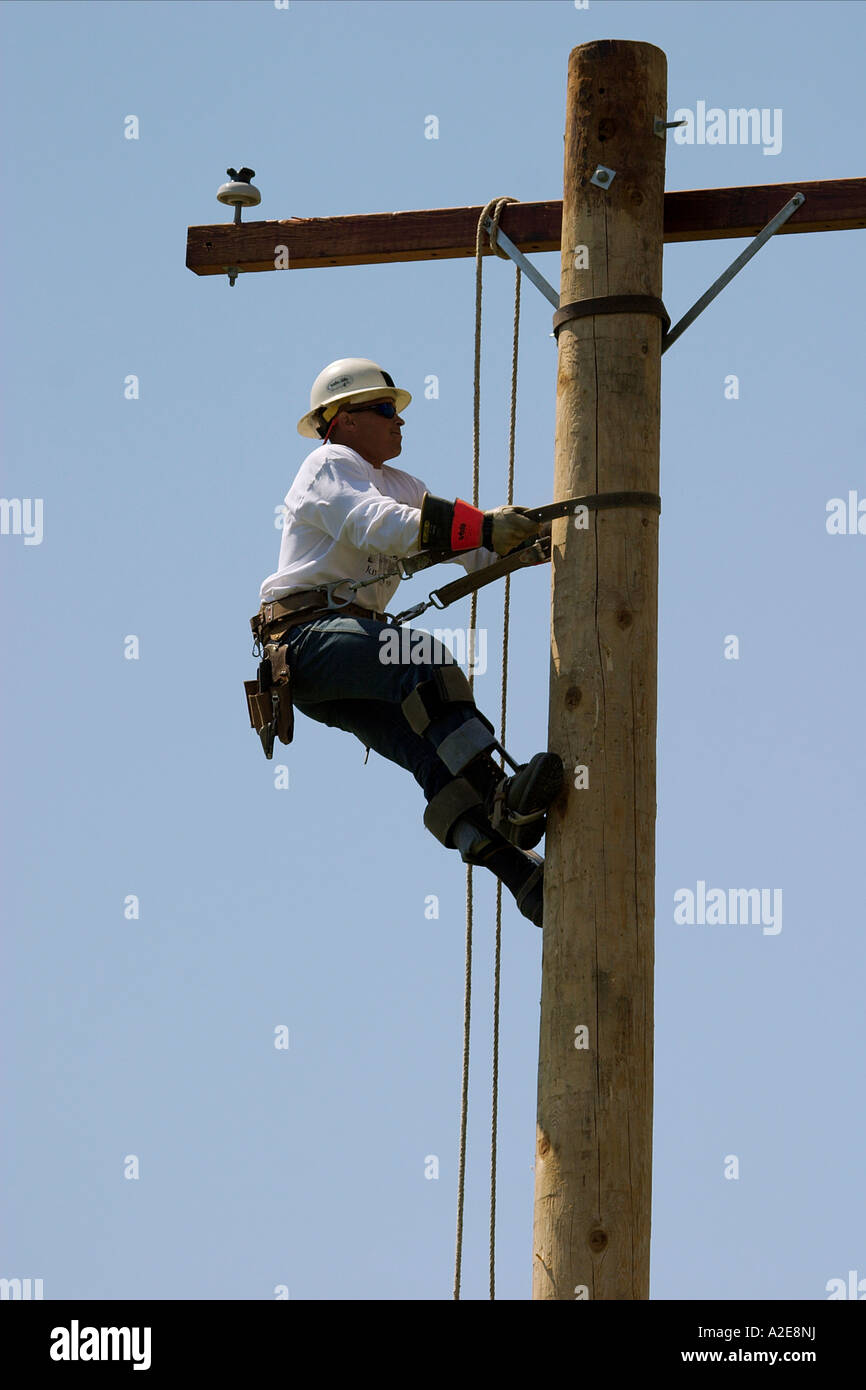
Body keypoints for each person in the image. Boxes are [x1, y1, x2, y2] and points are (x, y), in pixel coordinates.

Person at [254, 358, 563, 927]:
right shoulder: (327, 465)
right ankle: (502, 795)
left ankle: (522, 878)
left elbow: (457, 544)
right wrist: (483, 528)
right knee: (419, 658)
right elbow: (381, 525)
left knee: (427, 753)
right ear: (341, 421)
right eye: (383, 409)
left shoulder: (402, 485)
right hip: (306, 641)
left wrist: (530, 537)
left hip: (348, 660)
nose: (398, 421)